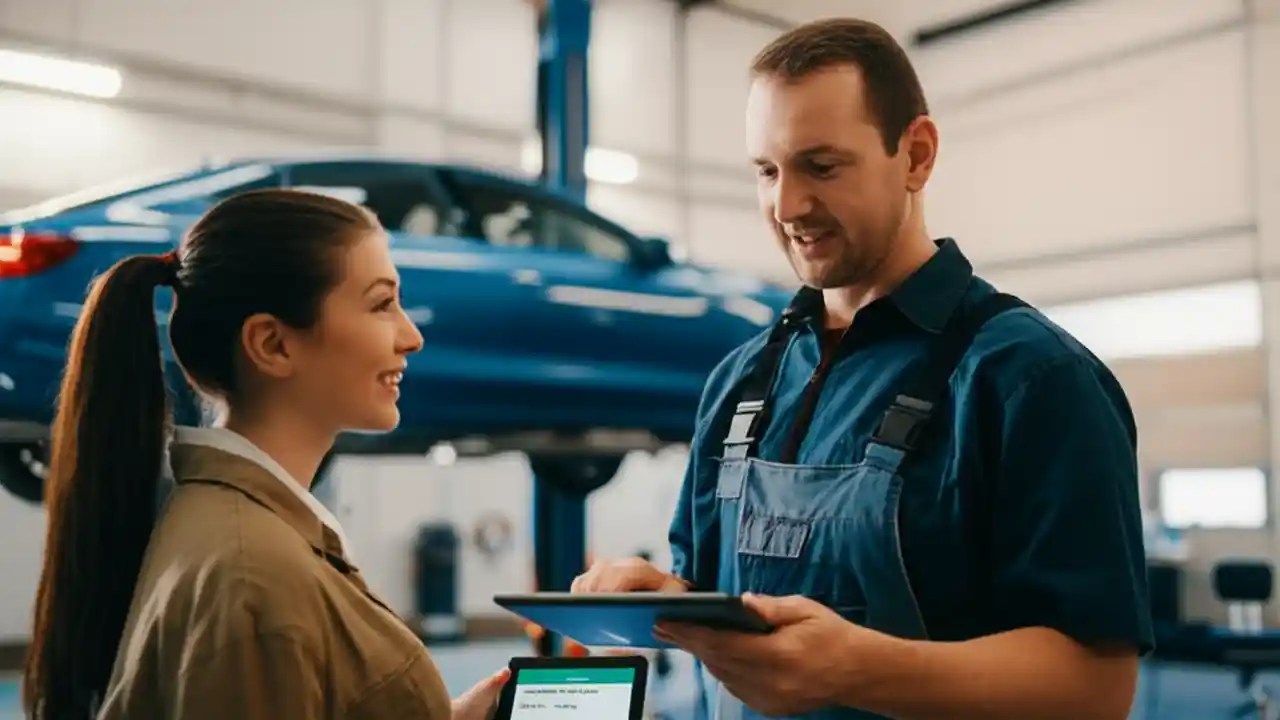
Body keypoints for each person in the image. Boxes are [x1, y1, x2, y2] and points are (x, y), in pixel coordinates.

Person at [572, 17, 1153, 720]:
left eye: (821, 166)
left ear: (915, 155)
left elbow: (1096, 689)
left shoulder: (1032, 380)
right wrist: (667, 602)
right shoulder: (740, 382)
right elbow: (716, 589)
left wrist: (859, 669)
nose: (786, 206)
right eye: (767, 171)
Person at [23, 189, 509, 719]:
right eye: (381, 304)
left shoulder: (246, 537)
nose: (411, 336)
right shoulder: (252, 578)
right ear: (273, 345)